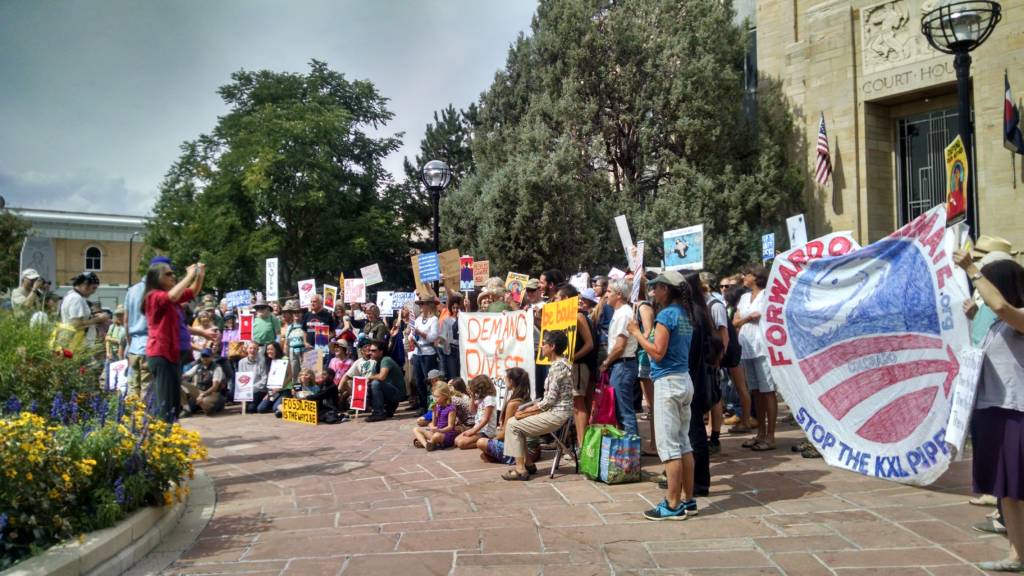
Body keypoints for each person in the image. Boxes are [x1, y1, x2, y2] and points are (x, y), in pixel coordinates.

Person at [953, 251, 1024, 573]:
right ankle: (1017, 555)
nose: (981, 289)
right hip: (993, 410)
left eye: (988, 283)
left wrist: (971, 268)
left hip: (1017, 411)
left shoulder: (1015, 315)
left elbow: (1002, 307)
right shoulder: (995, 322)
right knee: (1007, 490)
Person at [627, 270, 697, 520]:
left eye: (656, 288)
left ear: (667, 290)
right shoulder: (685, 313)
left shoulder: (667, 315)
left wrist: (636, 333)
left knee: (669, 448)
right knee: (684, 443)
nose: (653, 292)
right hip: (683, 380)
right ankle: (688, 499)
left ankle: (673, 503)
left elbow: (657, 353)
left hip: (668, 382)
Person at [501, 330, 574, 481]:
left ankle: (520, 469)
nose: (541, 346)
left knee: (513, 425)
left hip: (556, 415)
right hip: (557, 412)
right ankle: (527, 464)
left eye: (544, 344)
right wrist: (528, 411)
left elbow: (549, 401)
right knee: (516, 422)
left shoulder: (558, 367)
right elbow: (548, 400)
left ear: (552, 346)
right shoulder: (561, 364)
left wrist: (528, 411)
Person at [143, 261, 203, 423]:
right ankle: (163, 440)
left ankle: (167, 438)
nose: (173, 276)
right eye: (168, 274)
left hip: (171, 354)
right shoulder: (154, 296)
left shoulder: (169, 298)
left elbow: (192, 292)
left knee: (172, 402)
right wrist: (189, 275)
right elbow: (174, 295)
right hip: (160, 354)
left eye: (173, 273)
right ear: (156, 278)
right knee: (165, 402)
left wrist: (199, 275)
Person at [735, 264, 776, 451]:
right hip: (747, 348)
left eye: (747, 274)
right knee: (756, 391)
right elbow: (736, 321)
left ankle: (770, 435)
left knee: (767, 391)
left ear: (756, 276)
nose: (744, 277)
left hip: (762, 346)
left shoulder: (768, 294)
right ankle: (760, 432)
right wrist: (747, 318)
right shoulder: (743, 298)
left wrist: (755, 317)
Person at [556, 284, 596, 446]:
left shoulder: (579, 317)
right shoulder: (565, 317)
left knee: (579, 405)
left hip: (579, 366)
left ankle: (582, 445)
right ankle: (582, 443)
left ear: (565, 299)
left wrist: (572, 358)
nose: (555, 300)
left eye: (558, 298)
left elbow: (589, 344)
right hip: (574, 366)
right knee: (577, 405)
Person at [600, 279, 639, 436]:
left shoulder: (624, 314)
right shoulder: (619, 312)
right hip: (620, 365)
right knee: (620, 409)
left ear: (619, 295)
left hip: (623, 365)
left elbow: (620, 345)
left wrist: (606, 362)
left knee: (624, 411)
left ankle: (631, 452)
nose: (606, 295)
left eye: (609, 291)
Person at [479, 368, 532, 464]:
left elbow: (504, 433)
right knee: (485, 452)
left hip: (526, 451)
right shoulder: (527, 397)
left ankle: (513, 460)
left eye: (505, 378)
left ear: (511, 381)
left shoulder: (514, 403)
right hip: (532, 449)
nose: (504, 380)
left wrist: (492, 441)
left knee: (481, 442)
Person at [58, 272, 109, 349]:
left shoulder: (71, 295)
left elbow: (76, 320)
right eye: (93, 288)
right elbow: (76, 324)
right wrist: (98, 319)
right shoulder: (76, 299)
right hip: (77, 345)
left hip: (76, 343)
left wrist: (92, 317)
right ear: (85, 285)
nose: (94, 291)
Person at [409, 292, 440, 413]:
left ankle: (431, 405)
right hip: (418, 351)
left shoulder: (434, 320)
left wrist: (420, 332)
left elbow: (433, 337)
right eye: (420, 304)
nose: (421, 306)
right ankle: (422, 404)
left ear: (430, 305)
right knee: (419, 380)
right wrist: (412, 336)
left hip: (428, 352)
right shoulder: (417, 320)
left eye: (423, 304)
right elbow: (412, 333)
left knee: (429, 380)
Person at [412, 381, 458, 451]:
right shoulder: (438, 406)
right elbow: (434, 423)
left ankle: (430, 443)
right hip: (437, 432)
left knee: (436, 436)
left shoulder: (451, 408)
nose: (435, 399)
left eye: (437, 397)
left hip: (446, 435)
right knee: (416, 429)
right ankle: (427, 445)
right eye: (434, 396)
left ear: (445, 396)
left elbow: (450, 427)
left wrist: (439, 430)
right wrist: (434, 411)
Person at [456, 375, 498, 449]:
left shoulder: (489, 399)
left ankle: (487, 442)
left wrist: (473, 431)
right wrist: (472, 397)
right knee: (456, 440)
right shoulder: (480, 399)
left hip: (486, 432)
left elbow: (486, 419)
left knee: (461, 443)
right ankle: (481, 441)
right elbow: (472, 411)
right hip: (478, 429)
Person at [181, 348, 226, 416]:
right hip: (199, 391)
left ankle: (215, 406)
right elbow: (185, 376)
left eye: (207, 356)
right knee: (180, 383)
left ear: (211, 357)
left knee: (206, 406)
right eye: (203, 356)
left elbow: (215, 387)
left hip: (213, 394)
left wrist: (203, 395)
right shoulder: (197, 366)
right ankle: (186, 409)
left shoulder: (217, 368)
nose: (205, 358)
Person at [365, 341, 403, 421]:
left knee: (375, 383)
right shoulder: (377, 363)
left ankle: (378, 413)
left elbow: (381, 377)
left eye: (373, 351)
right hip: (390, 391)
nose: (370, 353)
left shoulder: (386, 360)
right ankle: (388, 408)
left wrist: (369, 378)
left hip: (397, 393)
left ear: (381, 351)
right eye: (370, 350)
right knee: (368, 386)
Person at [258, 342, 291, 414]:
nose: (269, 351)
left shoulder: (284, 359)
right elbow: (271, 380)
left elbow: (290, 375)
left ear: (277, 349)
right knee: (261, 409)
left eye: (271, 349)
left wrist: (280, 388)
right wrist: (268, 394)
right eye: (268, 349)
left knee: (275, 408)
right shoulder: (269, 361)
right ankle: (277, 403)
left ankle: (283, 403)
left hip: (284, 390)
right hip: (273, 392)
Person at [237, 341, 270, 410]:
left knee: (251, 409)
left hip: (259, 390)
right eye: (250, 348)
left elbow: (264, 379)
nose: (252, 350)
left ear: (258, 350)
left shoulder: (262, 362)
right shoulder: (241, 362)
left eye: (255, 349)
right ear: (247, 349)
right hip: (247, 391)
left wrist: (251, 388)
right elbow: (240, 379)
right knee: (245, 409)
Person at [438, 294, 463, 379]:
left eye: (457, 308)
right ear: (450, 308)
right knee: (453, 376)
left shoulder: (464, 319)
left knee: (462, 374)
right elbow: (443, 335)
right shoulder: (446, 320)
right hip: (451, 351)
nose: (455, 310)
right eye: (453, 308)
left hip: (462, 350)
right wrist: (440, 341)